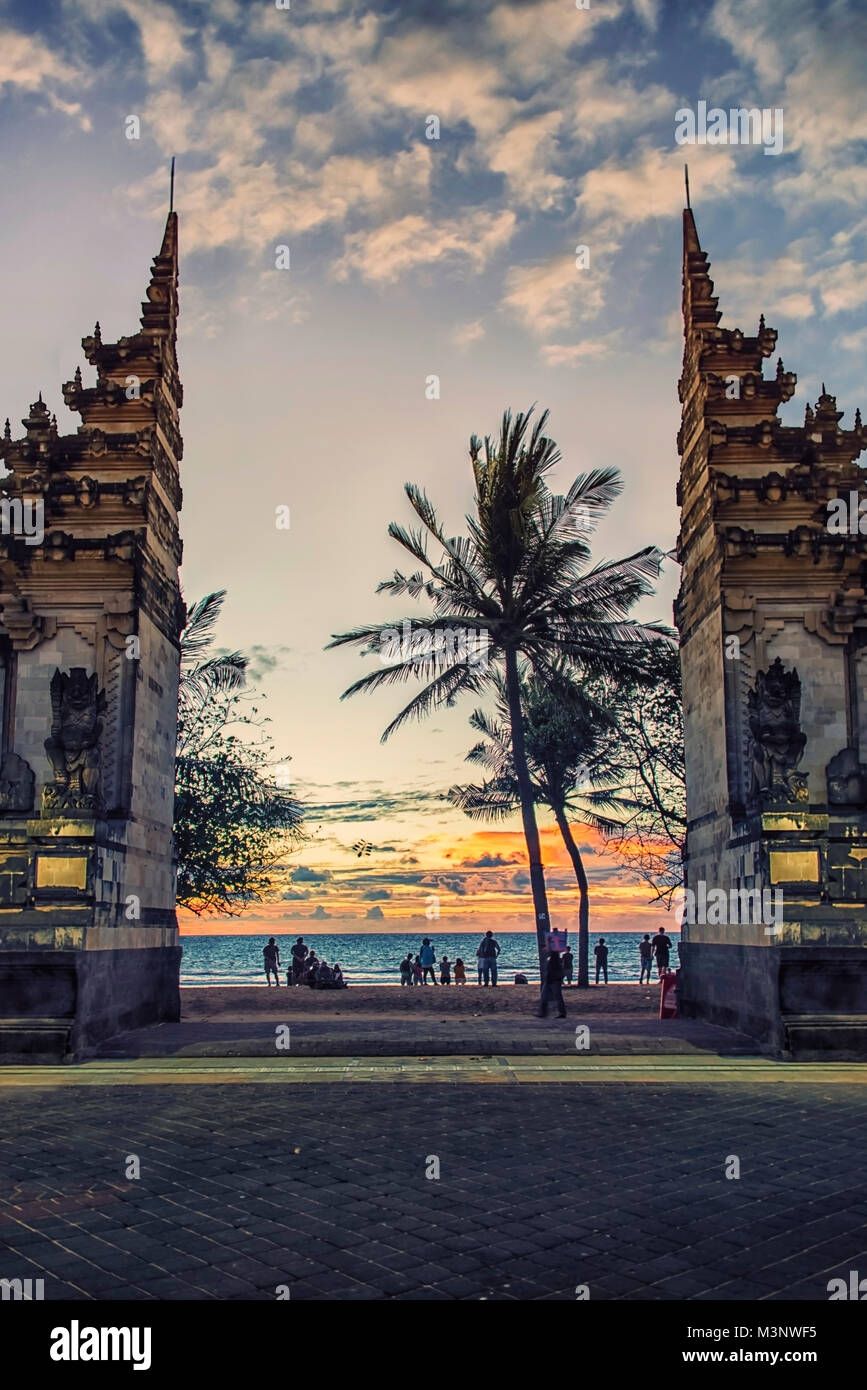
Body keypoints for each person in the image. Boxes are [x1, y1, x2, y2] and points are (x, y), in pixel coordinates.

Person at [537, 950, 566, 1018]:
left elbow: (557, 971)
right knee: (544, 996)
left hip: (554, 980)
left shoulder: (555, 961)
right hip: (549, 980)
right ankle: (543, 1012)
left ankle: (562, 1013)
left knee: (557, 996)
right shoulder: (551, 960)